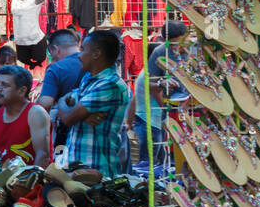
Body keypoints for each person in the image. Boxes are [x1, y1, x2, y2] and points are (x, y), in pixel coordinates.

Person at [59, 30, 131, 176]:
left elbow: (68, 118)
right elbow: (66, 101)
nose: (79, 55)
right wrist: (74, 108)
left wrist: (70, 107)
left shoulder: (110, 84)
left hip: (96, 168)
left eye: (83, 49)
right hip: (78, 165)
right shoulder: (89, 78)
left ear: (96, 54)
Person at [122, 22, 188, 173]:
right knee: (146, 166)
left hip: (148, 121)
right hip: (149, 124)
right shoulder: (151, 76)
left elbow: (133, 101)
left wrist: (129, 122)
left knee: (153, 163)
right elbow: (158, 99)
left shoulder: (145, 73)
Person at [0, 65, 52, 166]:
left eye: (5, 85)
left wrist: (26, 181)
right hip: (4, 178)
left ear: (22, 91)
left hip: (32, 179)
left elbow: (43, 157)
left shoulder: (36, 114)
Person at [37, 29, 84, 142]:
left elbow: (45, 103)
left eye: (51, 52)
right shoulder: (94, 63)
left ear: (55, 49)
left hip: (68, 131)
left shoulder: (56, 68)